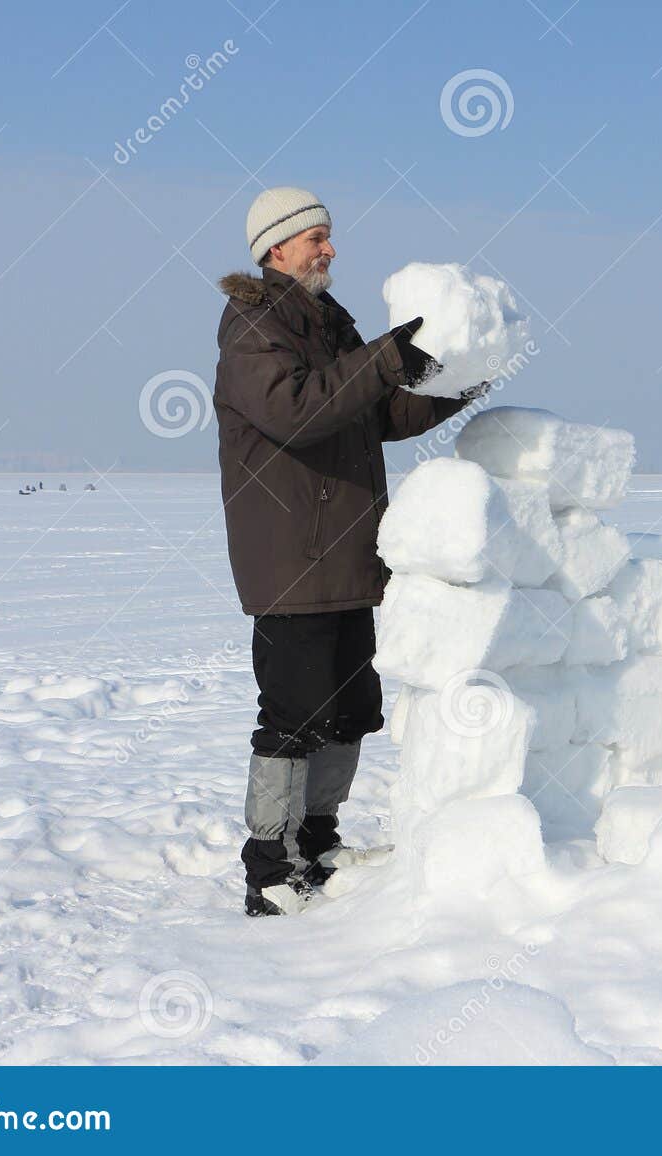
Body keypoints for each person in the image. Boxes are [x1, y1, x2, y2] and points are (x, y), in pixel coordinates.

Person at [213, 186, 482, 917]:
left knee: (349, 707)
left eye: (328, 236)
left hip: (349, 554)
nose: (329, 249)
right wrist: (383, 356)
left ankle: (319, 841)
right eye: (315, 238)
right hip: (290, 557)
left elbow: (373, 414)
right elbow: (298, 412)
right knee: (293, 714)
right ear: (276, 248)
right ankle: (269, 867)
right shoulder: (251, 325)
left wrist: (453, 383)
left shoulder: (330, 324)